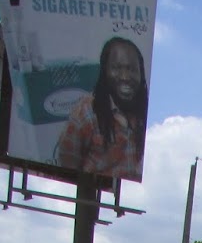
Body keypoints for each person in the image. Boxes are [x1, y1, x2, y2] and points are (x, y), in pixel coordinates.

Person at [55, 37, 149, 181]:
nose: (125, 77)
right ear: (104, 71)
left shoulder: (146, 114)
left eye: (131, 69)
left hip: (130, 198)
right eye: (116, 68)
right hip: (88, 194)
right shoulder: (86, 112)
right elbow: (67, 165)